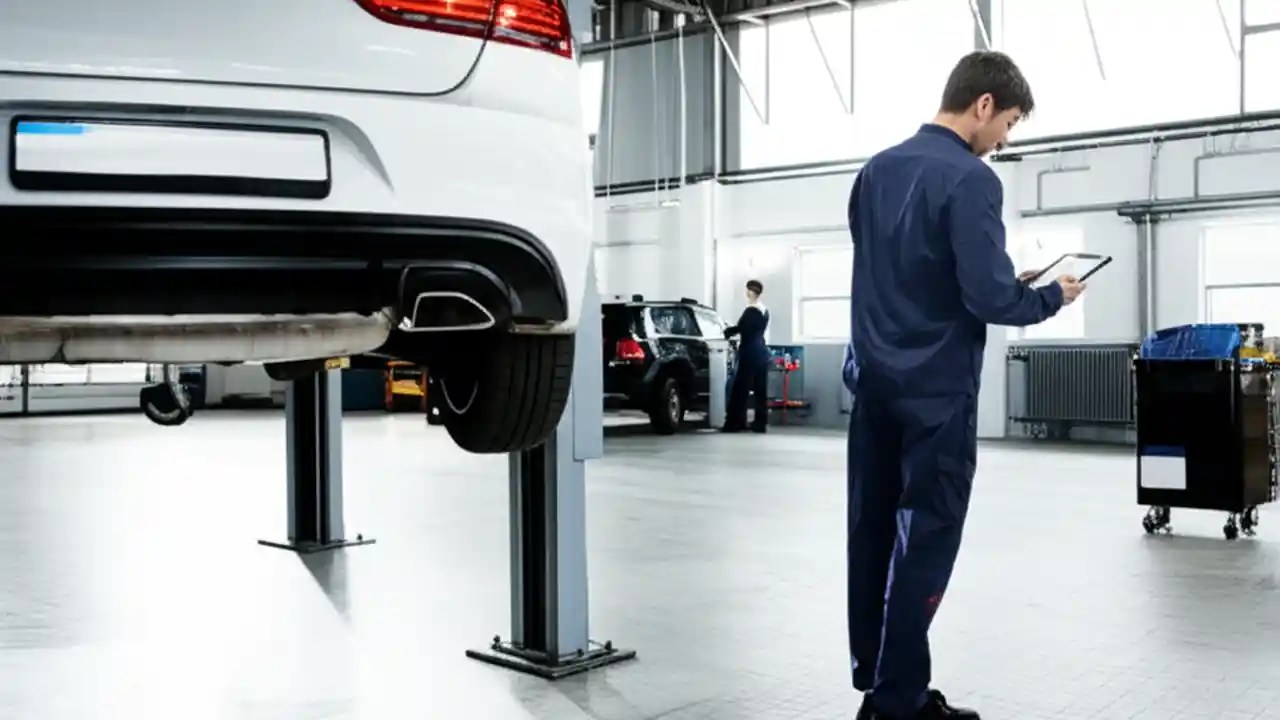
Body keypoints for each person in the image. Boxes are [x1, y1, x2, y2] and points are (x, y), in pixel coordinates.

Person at [846, 51, 1086, 720]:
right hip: (936, 394)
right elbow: (988, 299)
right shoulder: (972, 179)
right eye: (1008, 123)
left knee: (871, 534)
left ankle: (880, 681)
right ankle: (896, 704)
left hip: (874, 387)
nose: (1004, 139)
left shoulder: (875, 170)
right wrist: (1051, 297)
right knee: (925, 540)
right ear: (983, 105)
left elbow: (903, 271)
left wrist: (1003, 280)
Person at [722, 279, 771, 433]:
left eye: (748, 290)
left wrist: (727, 332)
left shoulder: (751, 310)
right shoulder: (764, 310)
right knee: (760, 390)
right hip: (761, 351)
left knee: (740, 389)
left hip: (750, 352)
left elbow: (743, 328)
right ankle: (760, 424)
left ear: (751, 292)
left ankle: (734, 423)